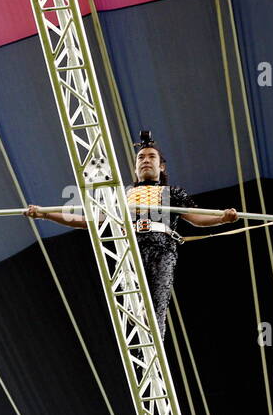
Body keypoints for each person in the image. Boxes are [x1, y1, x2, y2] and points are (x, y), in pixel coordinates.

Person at [25, 132, 238, 338]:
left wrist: (222, 218)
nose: (145, 160)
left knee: (156, 304)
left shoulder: (173, 193)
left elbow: (196, 218)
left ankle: (155, 344)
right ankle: (138, 346)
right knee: (130, 309)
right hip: (130, 248)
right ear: (135, 167)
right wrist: (45, 213)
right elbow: (88, 221)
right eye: (141, 158)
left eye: (151, 157)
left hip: (161, 249)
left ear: (161, 166)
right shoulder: (123, 195)